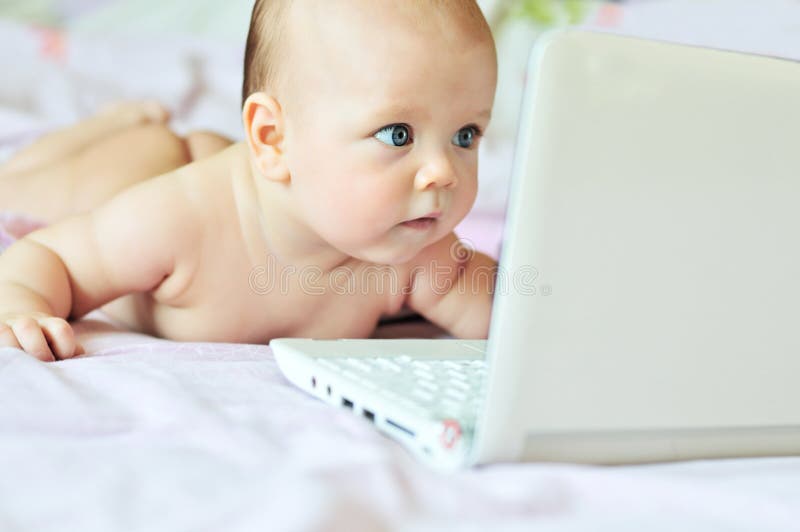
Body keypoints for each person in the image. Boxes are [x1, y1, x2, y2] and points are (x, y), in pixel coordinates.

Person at [0, 0, 498, 361]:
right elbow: (52, 256)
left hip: (256, 173)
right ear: (273, 137)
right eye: (397, 134)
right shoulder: (175, 223)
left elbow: (507, 318)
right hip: (143, 168)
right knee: (33, 187)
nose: (443, 172)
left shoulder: (412, 247)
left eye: (465, 135)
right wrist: (23, 304)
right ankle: (117, 123)